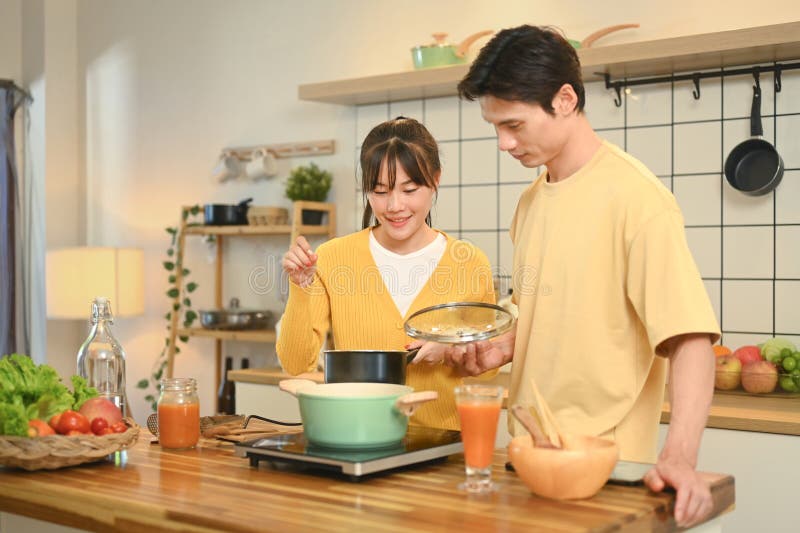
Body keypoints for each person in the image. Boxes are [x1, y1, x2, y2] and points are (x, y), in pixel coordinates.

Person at [447, 26, 720, 527]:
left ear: (565, 99)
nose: (504, 143)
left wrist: (680, 457)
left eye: (514, 125)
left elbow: (691, 339)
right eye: (496, 127)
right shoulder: (532, 201)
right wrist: (503, 344)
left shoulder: (637, 200)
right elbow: (546, 308)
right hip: (526, 456)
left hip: (605, 468)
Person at [277, 116, 496, 431]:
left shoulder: (469, 262)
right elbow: (296, 364)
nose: (395, 205)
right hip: (358, 437)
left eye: (410, 189)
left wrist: (450, 350)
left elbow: (486, 369)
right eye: (380, 191)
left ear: (435, 179)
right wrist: (301, 286)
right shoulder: (332, 258)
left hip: (442, 450)